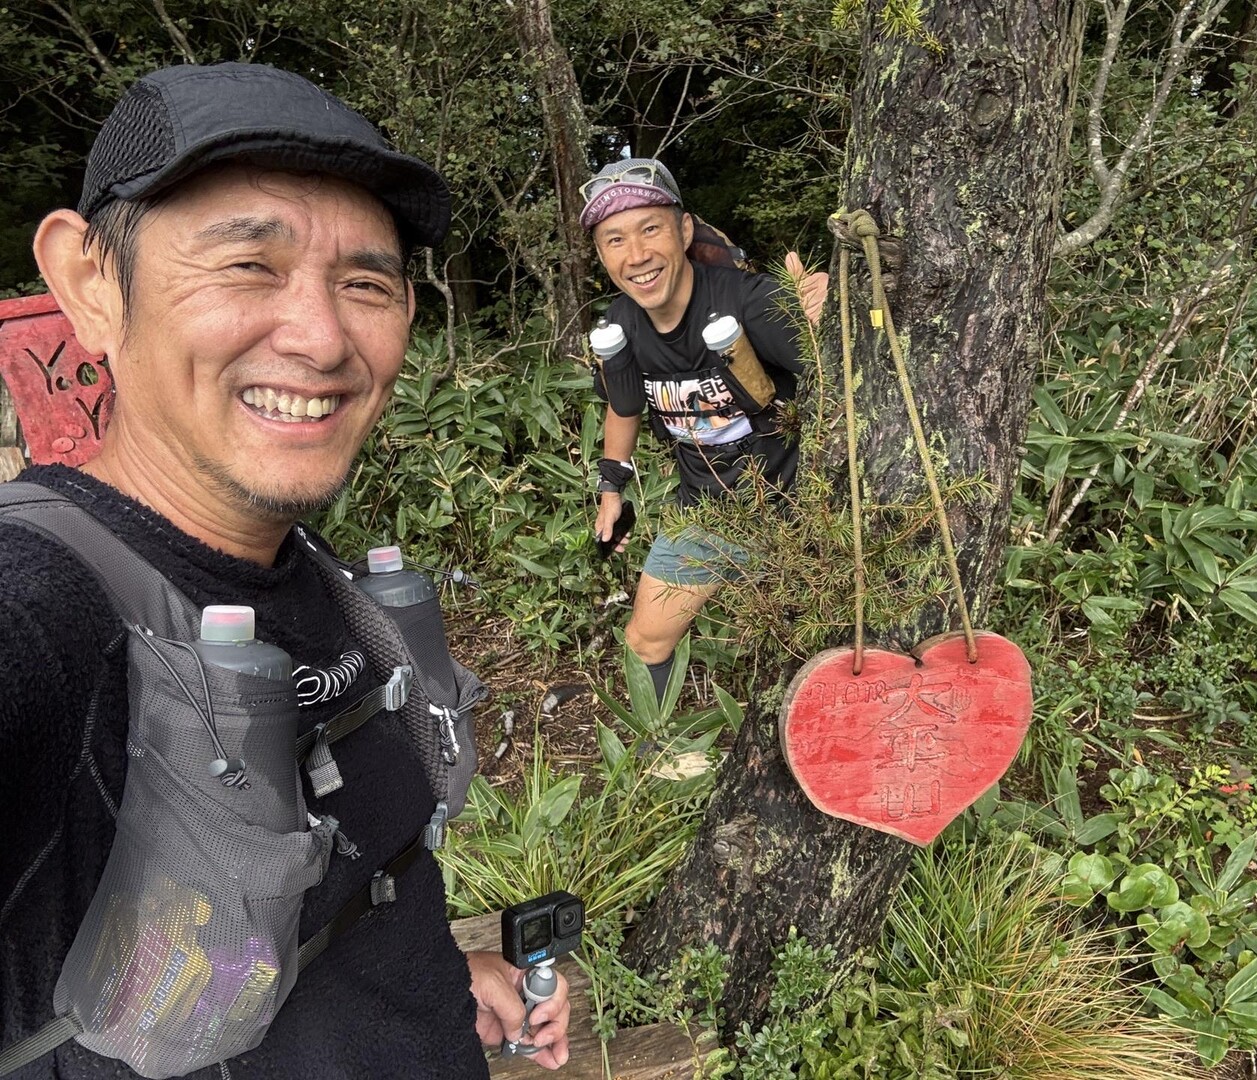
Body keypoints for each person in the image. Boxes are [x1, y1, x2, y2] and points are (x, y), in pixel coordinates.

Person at [0, 63, 569, 1077]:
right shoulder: (43, 612)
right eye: (246, 266)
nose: (320, 338)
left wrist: (437, 969)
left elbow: (338, 880)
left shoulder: (309, 572)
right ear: (90, 282)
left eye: (366, 283)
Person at [585, 158, 825, 704]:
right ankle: (660, 752)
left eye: (650, 229)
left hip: (803, 504)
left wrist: (826, 316)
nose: (637, 255)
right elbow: (623, 408)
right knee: (645, 639)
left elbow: (837, 377)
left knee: (813, 648)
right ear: (601, 255)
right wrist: (610, 489)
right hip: (709, 510)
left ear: (684, 229)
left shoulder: (749, 301)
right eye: (614, 239)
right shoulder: (619, 328)